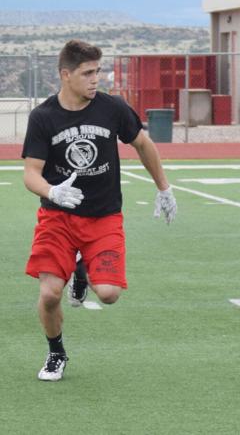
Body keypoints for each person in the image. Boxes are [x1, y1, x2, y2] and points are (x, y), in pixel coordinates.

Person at [21, 40, 178, 382]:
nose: (96, 79)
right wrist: (52, 191)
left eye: (98, 71)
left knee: (108, 294)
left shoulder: (112, 107)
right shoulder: (43, 116)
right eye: (87, 73)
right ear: (65, 75)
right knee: (49, 294)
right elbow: (31, 173)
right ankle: (56, 353)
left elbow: (143, 143)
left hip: (104, 217)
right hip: (58, 218)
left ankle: (81, 267)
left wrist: (164, 187)